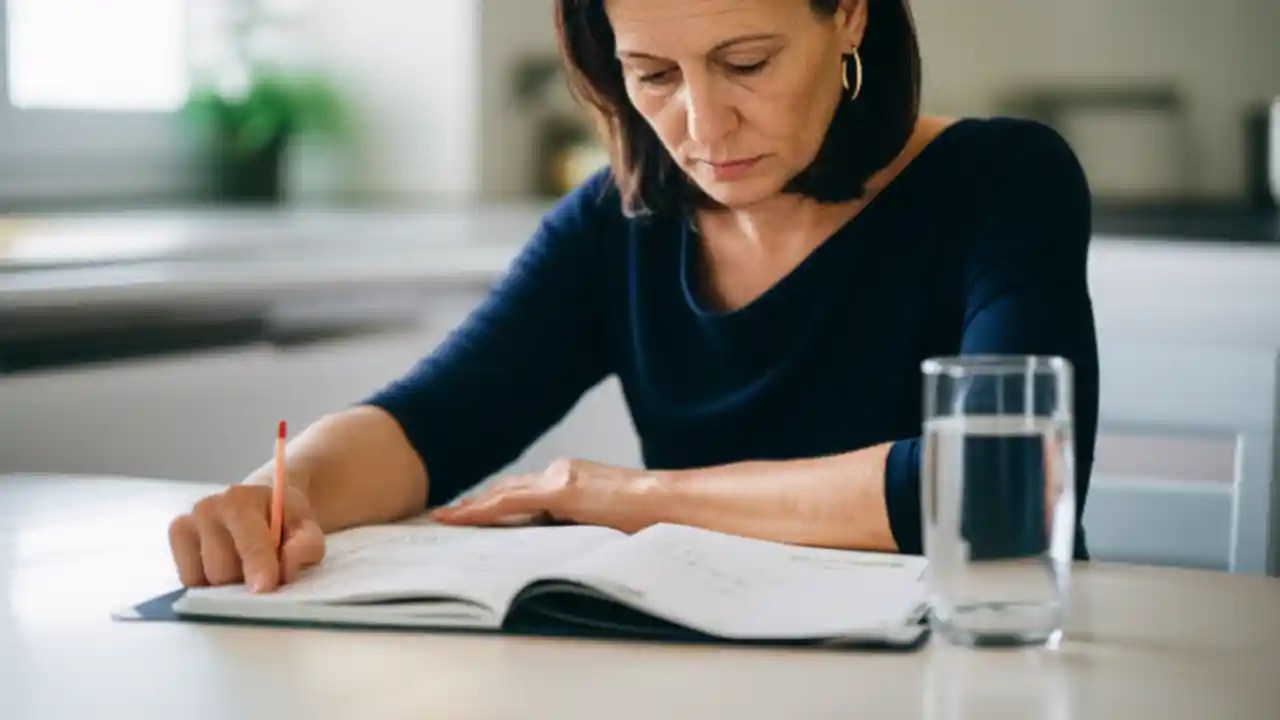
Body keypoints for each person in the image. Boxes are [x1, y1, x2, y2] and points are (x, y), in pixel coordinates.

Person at [168, 0, 1099, 593]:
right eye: (653, 75)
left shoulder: (1003, 180)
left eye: (747, 62)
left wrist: (627, 496)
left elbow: (1006, 486)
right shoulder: (618, 224)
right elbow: (430, 422)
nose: (703, 123)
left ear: (848, 15)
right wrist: (270, 498)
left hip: (970, 674)